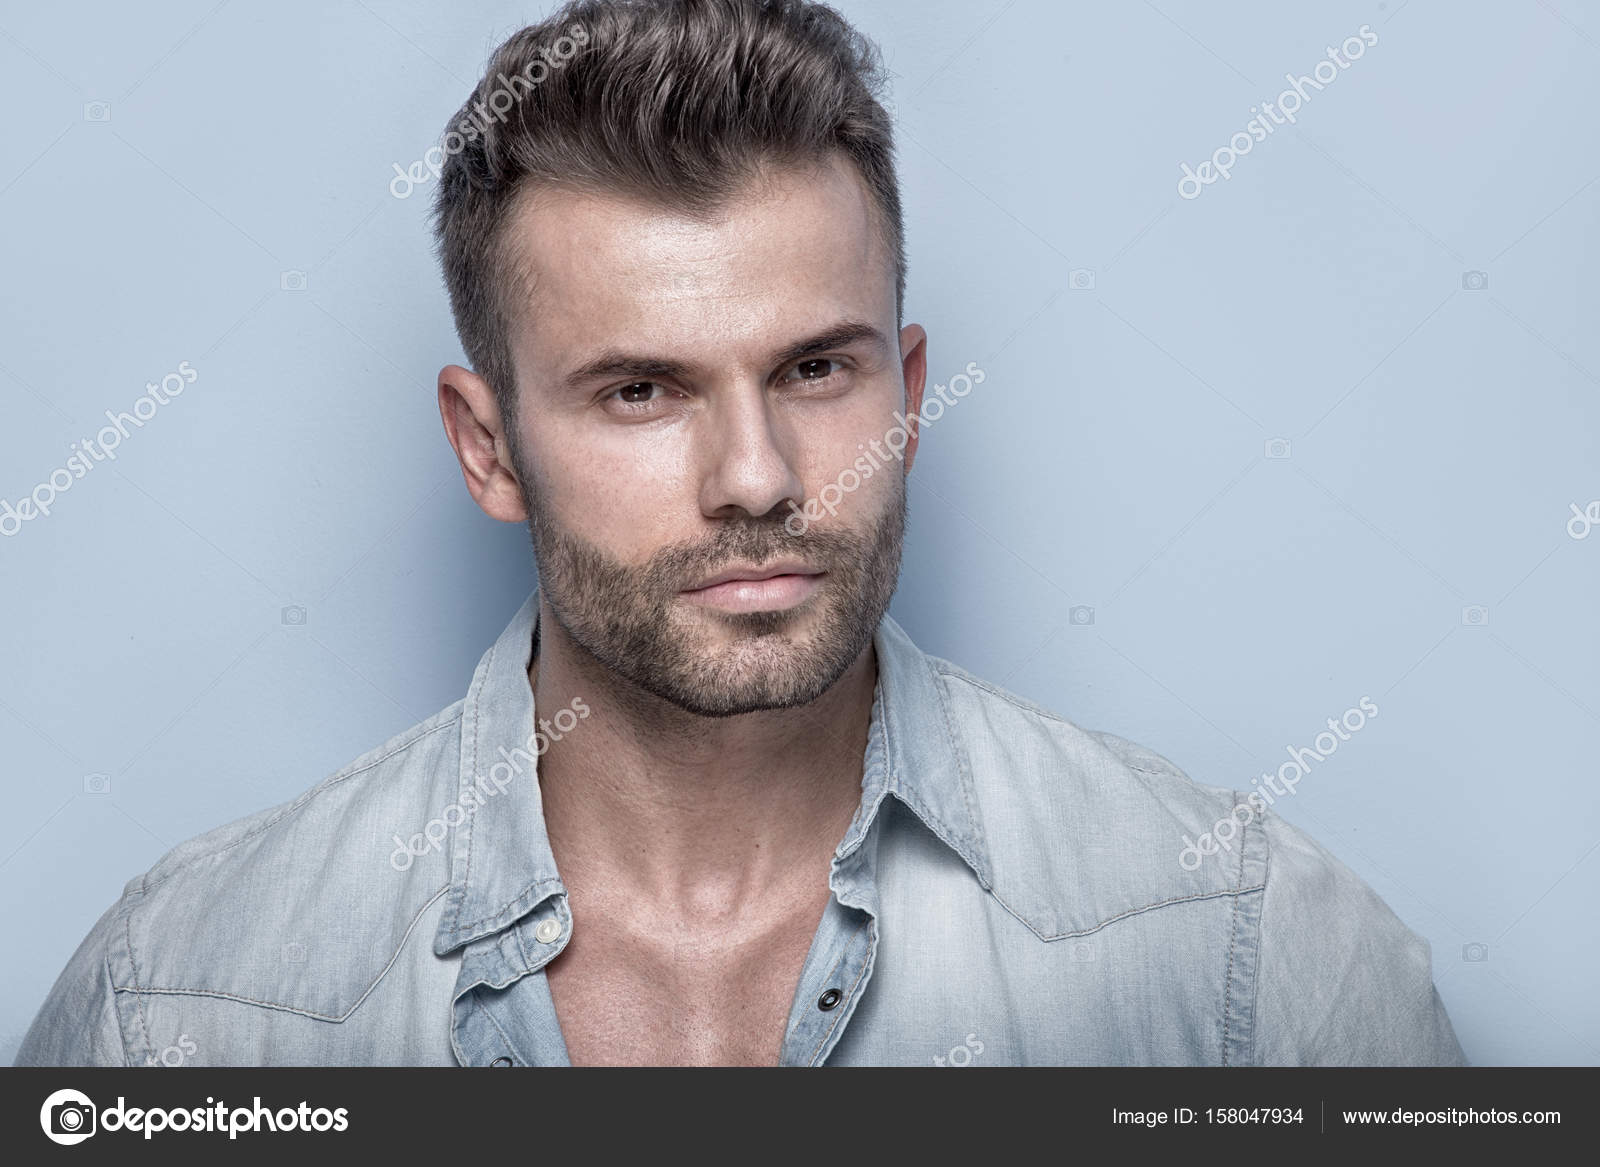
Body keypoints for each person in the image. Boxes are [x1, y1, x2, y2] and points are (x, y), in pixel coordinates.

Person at [17, 0, 1465, 1066]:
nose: (758, 478)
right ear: (486, 447)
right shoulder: (186, 1009)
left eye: (815, 371)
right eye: (642, 390)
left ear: (905, 393)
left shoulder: (1244, 955)